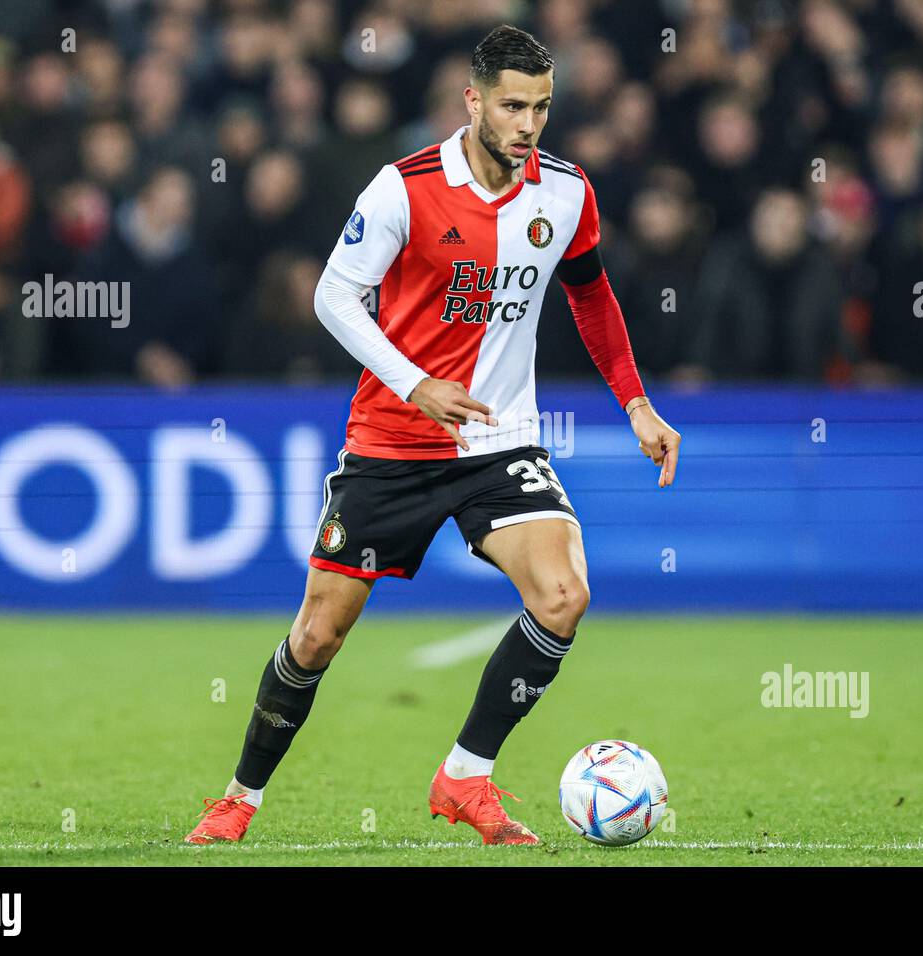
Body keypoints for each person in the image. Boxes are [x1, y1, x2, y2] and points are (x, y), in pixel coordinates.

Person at [185, 25, 680, 846]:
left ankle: (465, 777)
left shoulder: (565, 192)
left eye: (542, 108)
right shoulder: (403, 188)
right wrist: (415, 383)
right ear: (474, 100)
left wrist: (635, 403)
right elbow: (335, 297)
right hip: (393, 440)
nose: (528, 125)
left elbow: (590, 296)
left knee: (563, 596)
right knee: (318, 635)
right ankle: (241, 795)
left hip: (500, 439)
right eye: (514, 106)